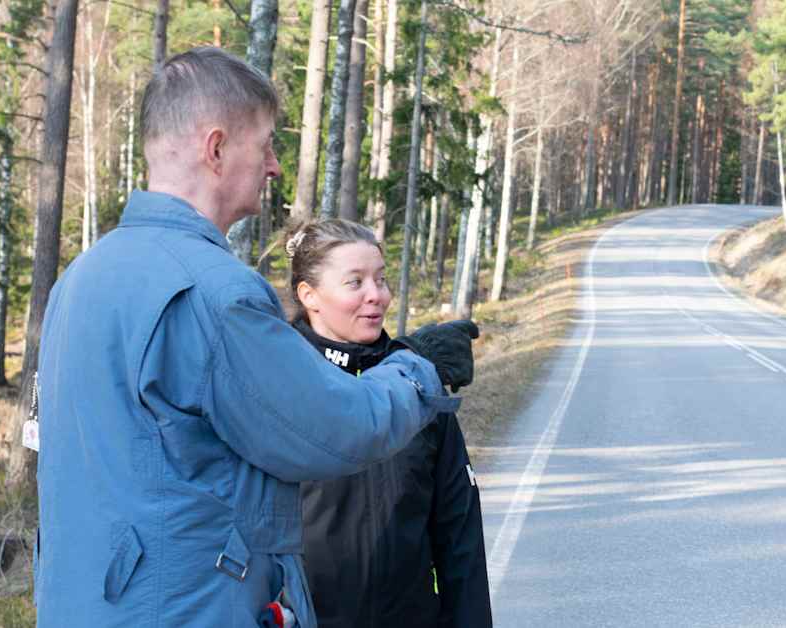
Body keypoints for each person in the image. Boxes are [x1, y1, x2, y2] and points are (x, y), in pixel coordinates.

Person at [33, 47, 477, 627]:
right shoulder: (214, 292)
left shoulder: (79, 278)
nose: (273, 165)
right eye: (265, 143)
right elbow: (332, 430)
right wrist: (419, 368)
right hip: (182, 609)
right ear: (216, 149)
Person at [283, 219, 492, 628]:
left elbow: (460, 538)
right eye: (355, 282)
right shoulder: (275, 388)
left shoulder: (419, 385)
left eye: (381, 280)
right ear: (310, 295)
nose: (376, 296)